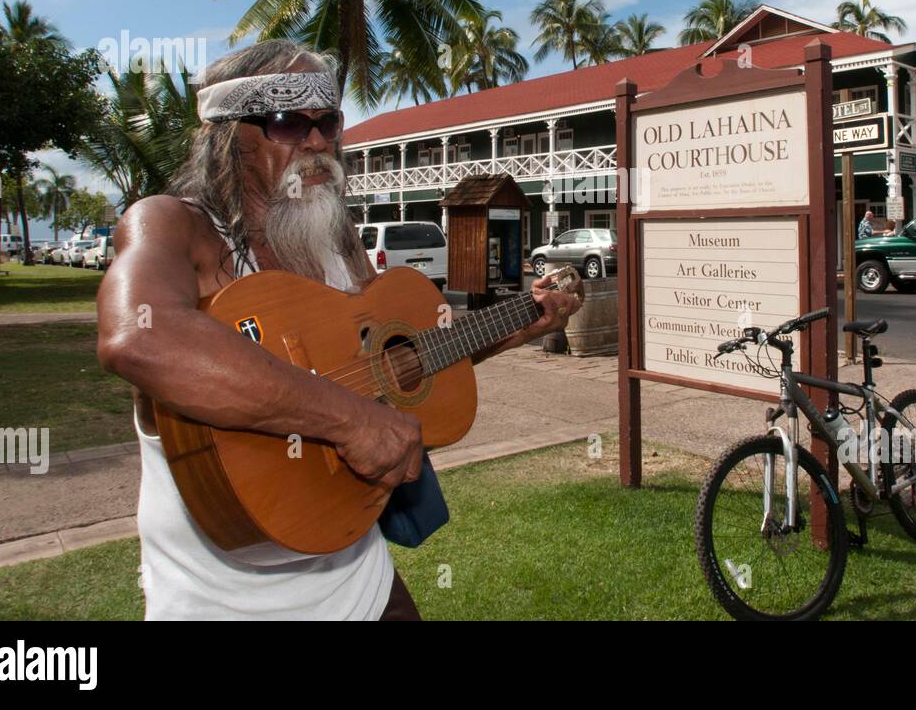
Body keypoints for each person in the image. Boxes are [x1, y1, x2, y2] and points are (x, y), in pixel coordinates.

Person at [96, 41, 581, 620]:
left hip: (356, 571)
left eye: (327, 121)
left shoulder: (336, 240)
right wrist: (350, 420)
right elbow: (141, 336)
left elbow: (386, 369)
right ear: (228, 136)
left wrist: (523, 324)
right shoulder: (175, 225)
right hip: (220, 600)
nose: (319, 142)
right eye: (287, 123)